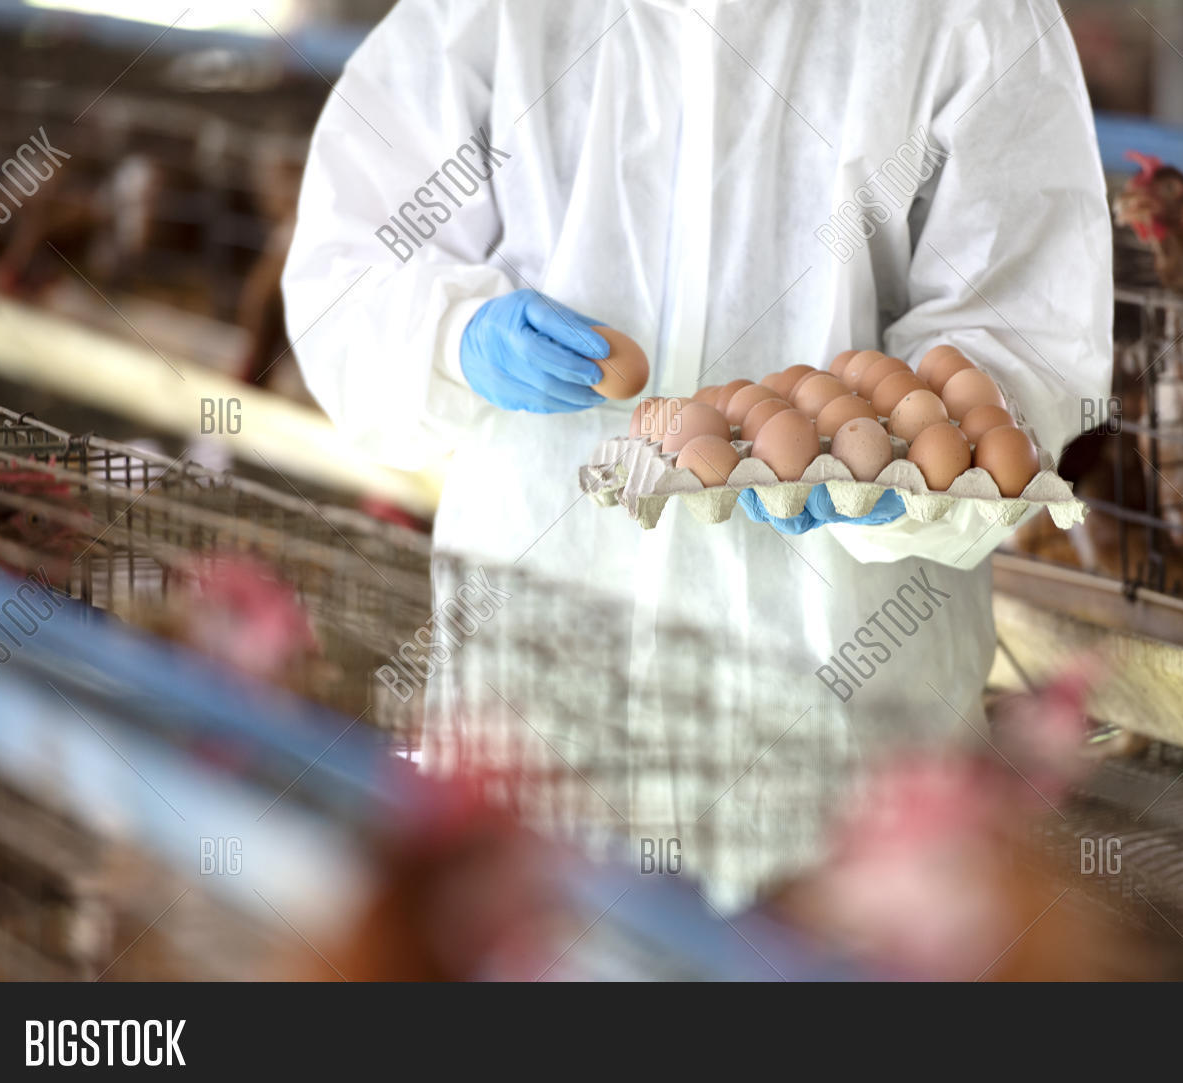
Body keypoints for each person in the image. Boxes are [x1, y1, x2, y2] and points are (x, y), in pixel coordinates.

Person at [283, 0, 1112, 904]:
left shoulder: (966, 18)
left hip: (842, 678)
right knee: (534, 939)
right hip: (538, 645)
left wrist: (913, 472)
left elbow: (1023, 327)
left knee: (821, 950)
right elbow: (348, 266)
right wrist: (454, 336)